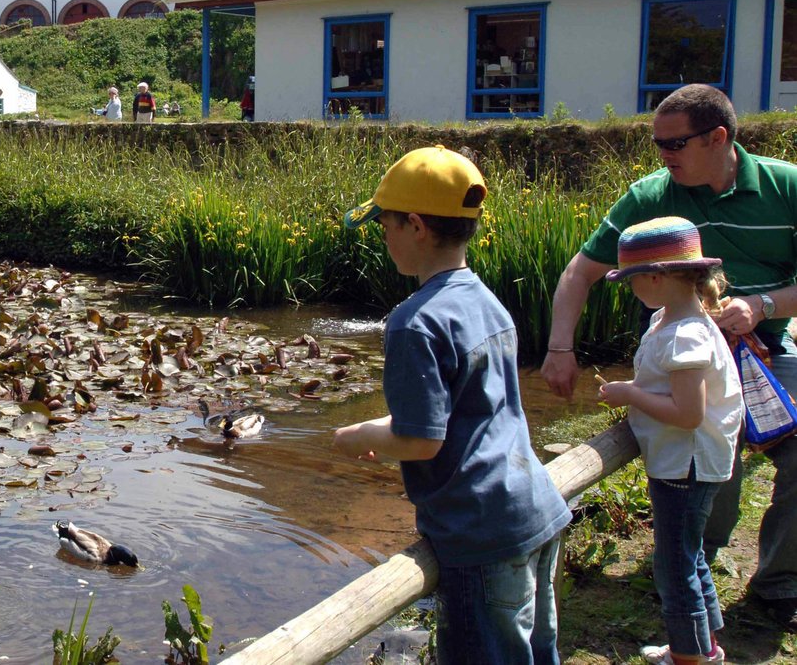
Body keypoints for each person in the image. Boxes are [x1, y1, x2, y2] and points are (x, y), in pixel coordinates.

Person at [541, 84, 797, 627]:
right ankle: (697, 562)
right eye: (657, 143)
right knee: (711, 466)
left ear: (719, 137)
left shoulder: (787, 186)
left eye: (675, 144)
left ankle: (776, 586)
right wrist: (560, 348)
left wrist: (763, 304)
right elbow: (578, 274)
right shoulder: (651, 195)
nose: (663, 155)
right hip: (687, 354)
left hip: (767, 350)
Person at [334, 146, 571, 664]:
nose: (383, 236)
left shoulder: (412, 321)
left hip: (479, 529)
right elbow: (474, 411)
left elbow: (422, 441)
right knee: (535, 649)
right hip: (533, 506)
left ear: (416, 226)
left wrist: (363, 437)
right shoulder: (484, 298)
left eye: (386, 224)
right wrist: (387, 423)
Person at [597, 217, 741, 665]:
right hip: (683, 462)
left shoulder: (687, 335)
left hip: (687, 466)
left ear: (657, 277)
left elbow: (688, 413)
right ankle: (704, 645)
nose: (631, 289)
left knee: (674, 567)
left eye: (633, 280)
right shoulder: (671, 319)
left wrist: (629, 394)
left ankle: (688, 657)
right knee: (689, 555)